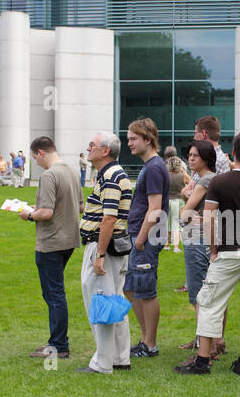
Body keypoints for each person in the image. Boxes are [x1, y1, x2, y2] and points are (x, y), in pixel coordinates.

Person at [176, 130, 240, 375]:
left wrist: (213, 250)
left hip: (228, 252)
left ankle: (202, 361)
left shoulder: (220, 182)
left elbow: (209, 219)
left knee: (209, 302)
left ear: (233, 152)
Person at [21, 136, 82, 360]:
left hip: (51, 242)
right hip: (69, 240)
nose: (36, 163)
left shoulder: (49, 175)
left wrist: (28, 214)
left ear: (41, 153)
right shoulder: (72, 171)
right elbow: (81, 206)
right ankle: (57, 342)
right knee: (56, 293)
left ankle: (58, 345)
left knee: (54, 294)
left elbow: (45, 213)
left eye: (35, 158)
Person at [78, 130, 133, 374]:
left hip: (105, 249)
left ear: (105, 151)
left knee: (101, 303)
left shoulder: (110, 175)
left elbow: (109, 218)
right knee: (114, 302)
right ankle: (120, 358)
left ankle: (103, 363)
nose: (88, 148)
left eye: (92, 145)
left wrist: (99, 254)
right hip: (113, 248)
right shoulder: (113, 174)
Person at [124, 117, 170, 359]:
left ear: (147, 140)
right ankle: (144, 339)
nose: (128, 142)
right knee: (131, 287)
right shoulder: (150, 165)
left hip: (146, 237)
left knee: (145, 288)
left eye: (133, 138)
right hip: (140, 235)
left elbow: (154, 210)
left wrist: (140, 239)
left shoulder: (153, 167)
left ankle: (150, 344)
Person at [177, 138, 217, 356]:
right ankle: (209, 341)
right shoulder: (205, 179)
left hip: (198, 239)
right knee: (207, 293)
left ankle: (206, 347)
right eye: (189, 155)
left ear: (206, 157)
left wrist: (186, 211)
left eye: (195, 156)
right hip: (203, 238)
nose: (191, 159)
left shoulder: (205, 180)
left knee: (198, 294)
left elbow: (185, 212)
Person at [164, 145, 190, 253]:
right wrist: (183, 171)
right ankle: (176, 247)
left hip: (167, 200)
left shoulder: (165, 175)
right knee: (177, 225)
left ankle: (166, 245)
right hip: (179, 201)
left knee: (167, 223)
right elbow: (190, 181)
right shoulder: (182, 175)